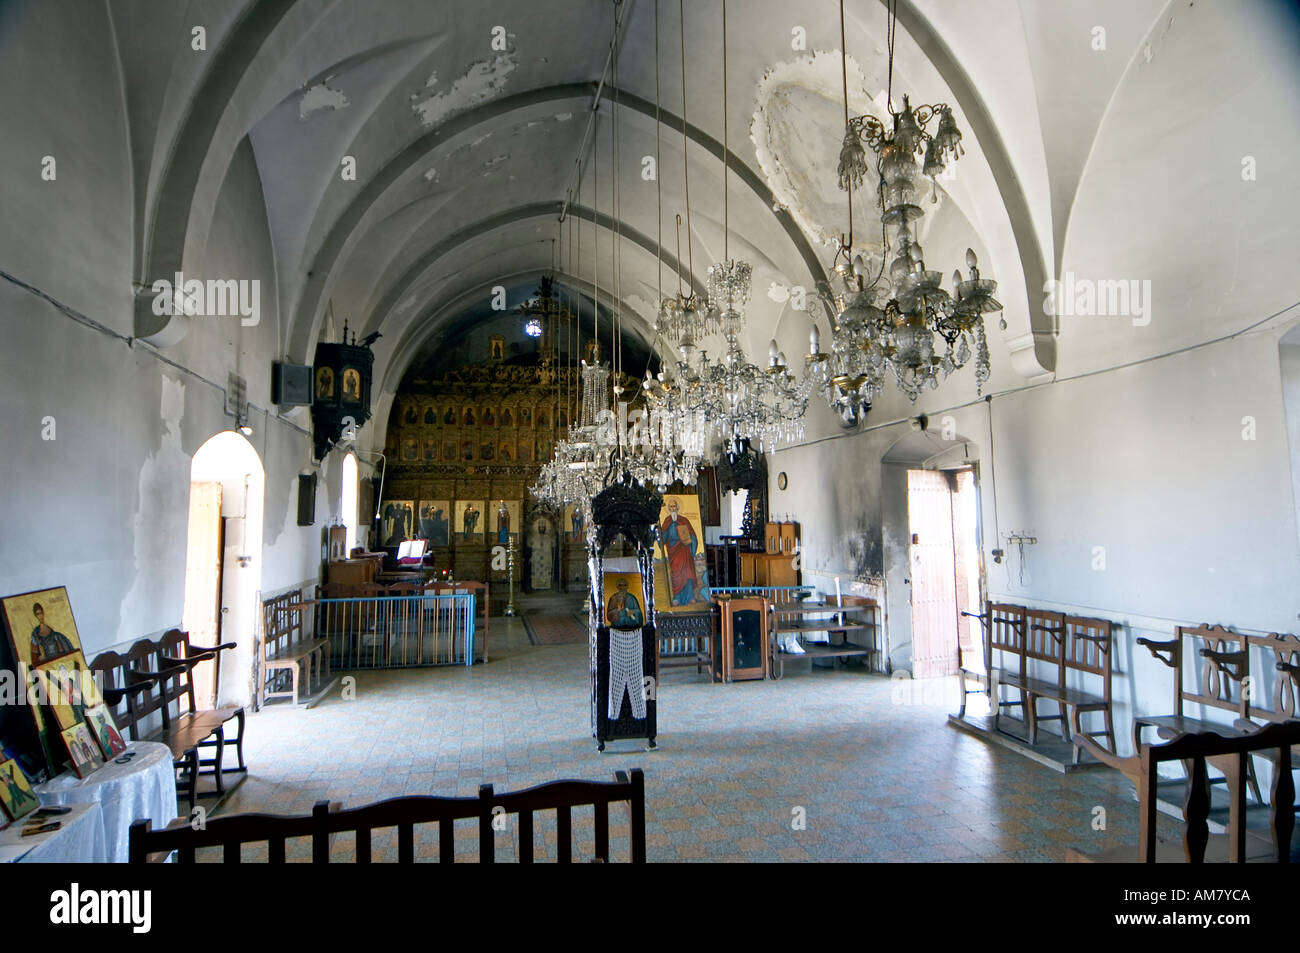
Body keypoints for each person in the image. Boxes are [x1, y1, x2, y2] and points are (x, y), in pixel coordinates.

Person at [659, 498, 702, 605]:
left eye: (674, 507)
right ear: (668, 509)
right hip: (673, 552)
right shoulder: (667, 521)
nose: (673, 509)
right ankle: (677, 597)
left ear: (678, 508)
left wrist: (690, 540)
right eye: (671, 507)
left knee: (687, 573)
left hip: (684, 550)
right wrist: (659, 534)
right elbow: (662, 537)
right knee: (676, 574)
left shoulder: (684, 520)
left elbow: (693, 536)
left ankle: (690, 596)